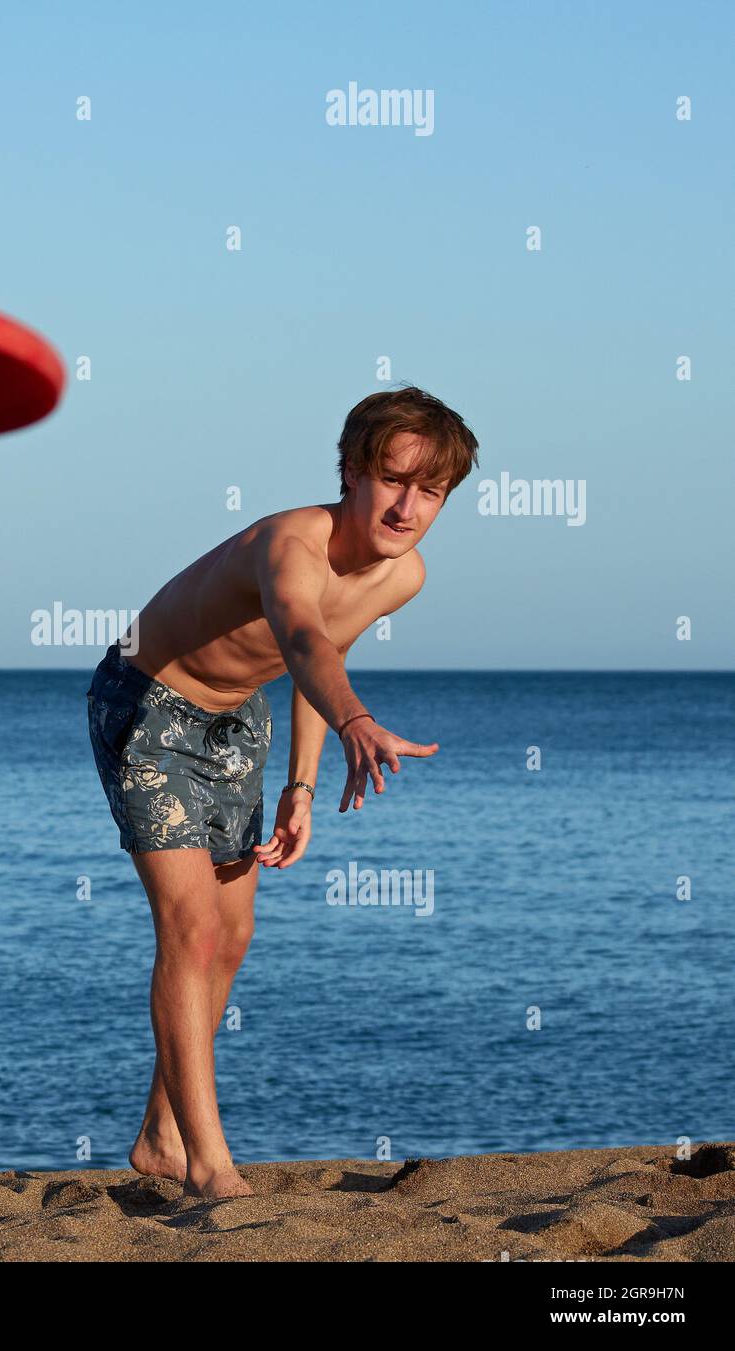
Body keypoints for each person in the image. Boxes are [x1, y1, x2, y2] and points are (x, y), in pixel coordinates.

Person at [85, 385, 479, 1197]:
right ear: (352, 472)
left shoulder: (403, 577)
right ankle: (209, 1164)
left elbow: (322, 656)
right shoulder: (292, 544)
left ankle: (161, 1134)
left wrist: (302, 783)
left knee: (232, 935)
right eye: (392, 480)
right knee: (191, 928)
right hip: (148, 700)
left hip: (237, 719)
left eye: (431, 491)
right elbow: (301, 634)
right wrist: (355, 720)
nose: (407, 508)